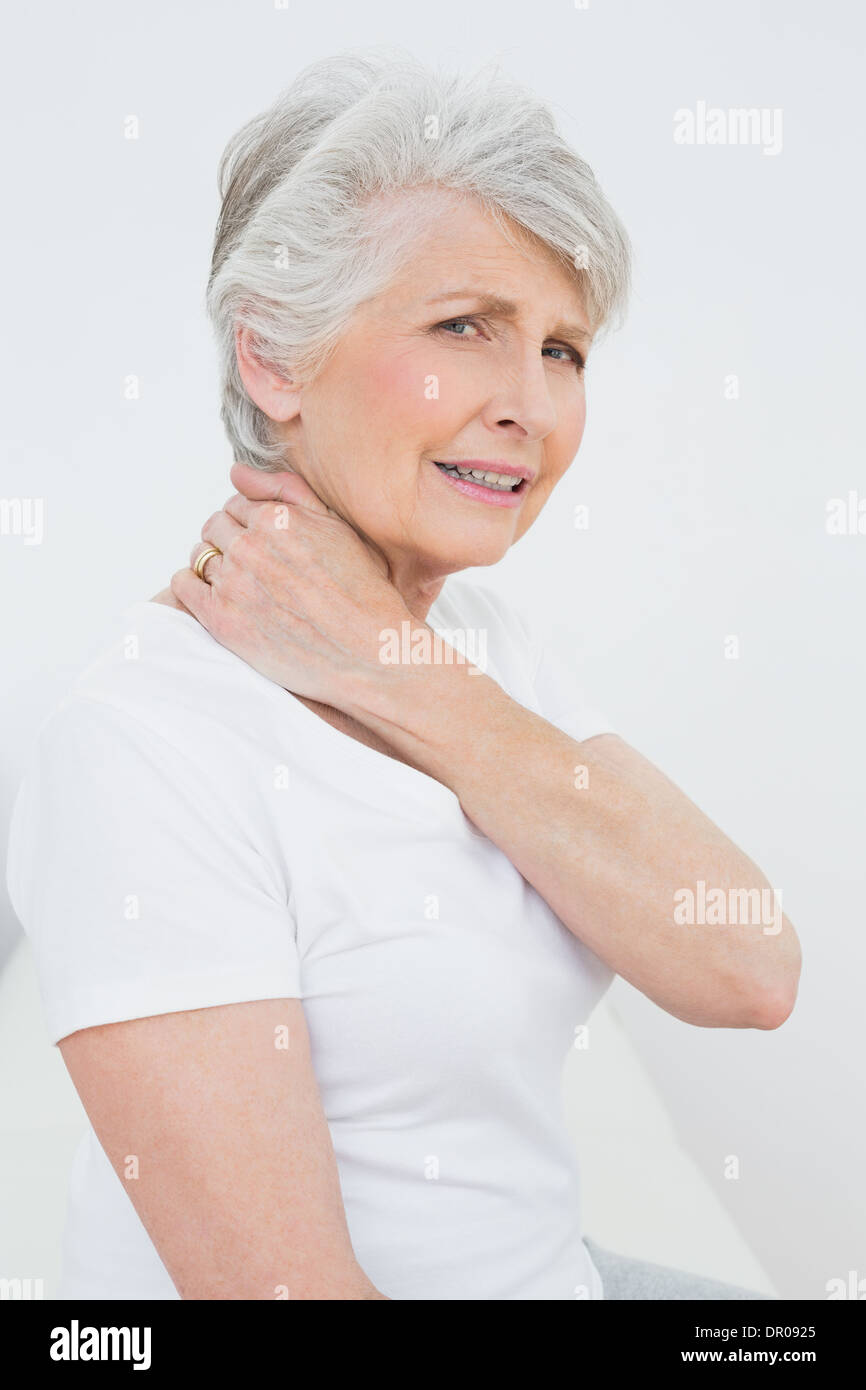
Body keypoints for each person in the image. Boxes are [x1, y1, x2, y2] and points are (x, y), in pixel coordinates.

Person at [5, 46, 798, 1300]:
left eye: (563, 349)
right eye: (463, 328)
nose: (528, 405)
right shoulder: (139, 738)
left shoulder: (480, 648)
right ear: (271, 354)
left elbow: (748, 967)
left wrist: (388, 661)